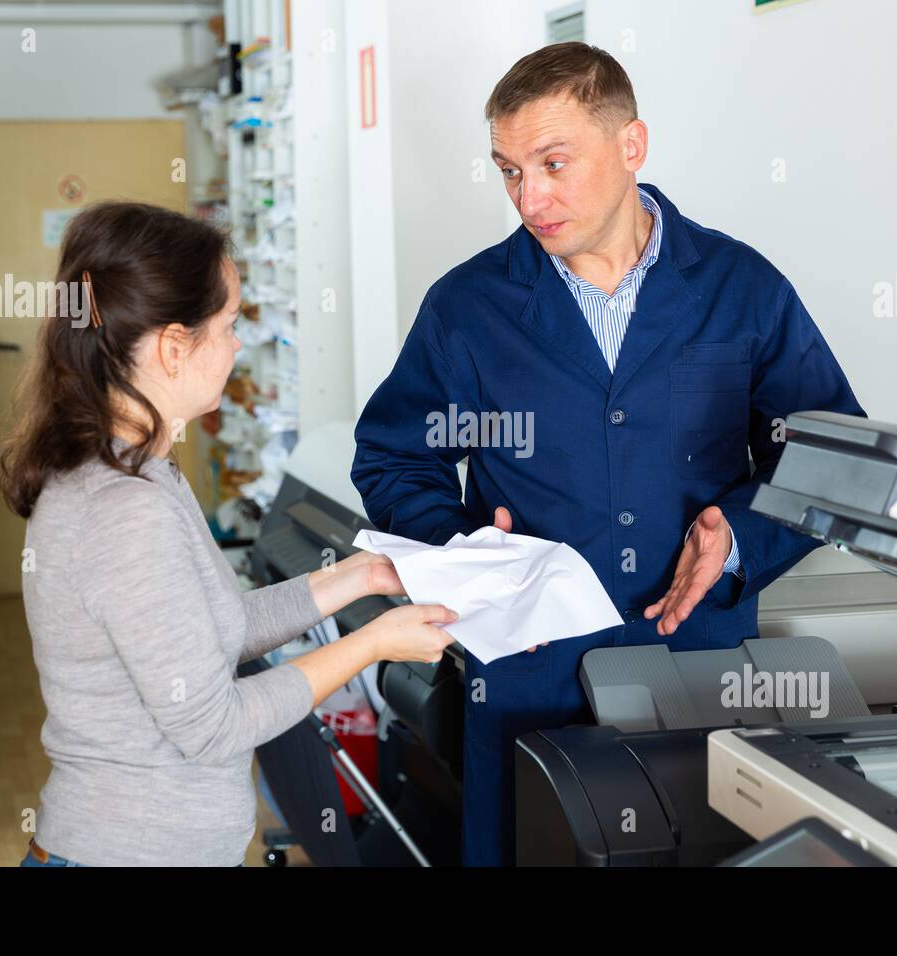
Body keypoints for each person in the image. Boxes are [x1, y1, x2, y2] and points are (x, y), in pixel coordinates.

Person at [351, 42, 865, 865]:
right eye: (510, 170)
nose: (531, 197)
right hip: (527, 678)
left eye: (553, 163)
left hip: (702, 672)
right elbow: (393, 457)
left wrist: (738, 538)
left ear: (632, 146)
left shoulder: (742, 288)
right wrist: (466, 554)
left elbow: (832, 461)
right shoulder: (467, 308)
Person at [0, 201, 457, 866]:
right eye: (229, 324)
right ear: (173, 346)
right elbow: (213, 726)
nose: (239, 344)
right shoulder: (124, 509)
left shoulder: (141, 471)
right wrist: (372, 643)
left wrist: (355, 577)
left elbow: (213, 631)